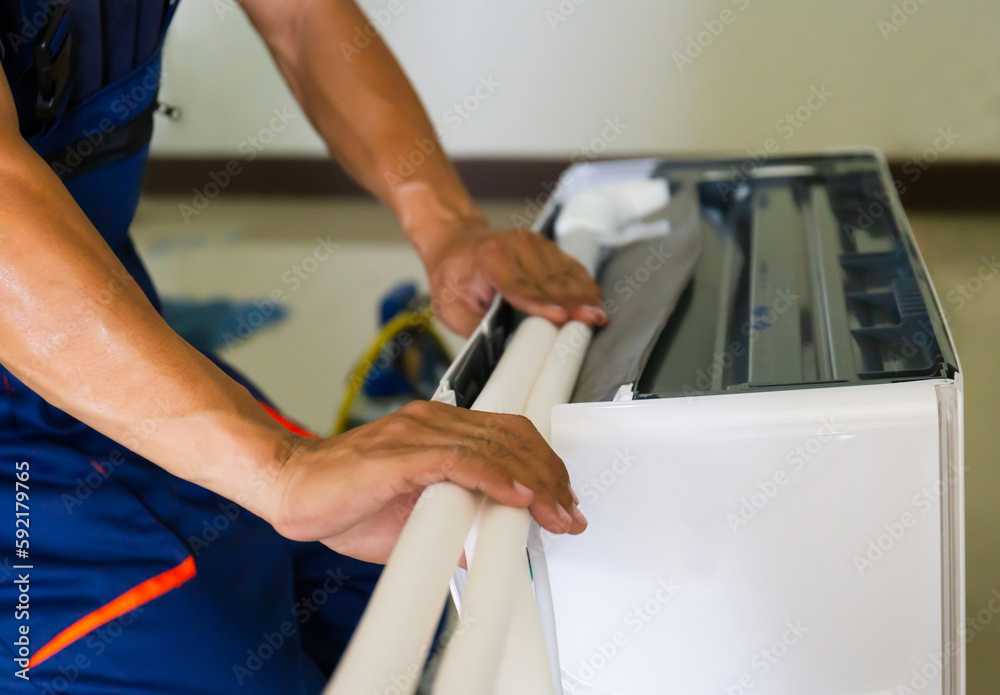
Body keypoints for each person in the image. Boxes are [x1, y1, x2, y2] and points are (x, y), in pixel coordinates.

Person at [0, 1, 603, 692]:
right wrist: (280, 471)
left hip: (116, 348)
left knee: (406, 589)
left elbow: (300, 16)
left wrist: (446, 226)